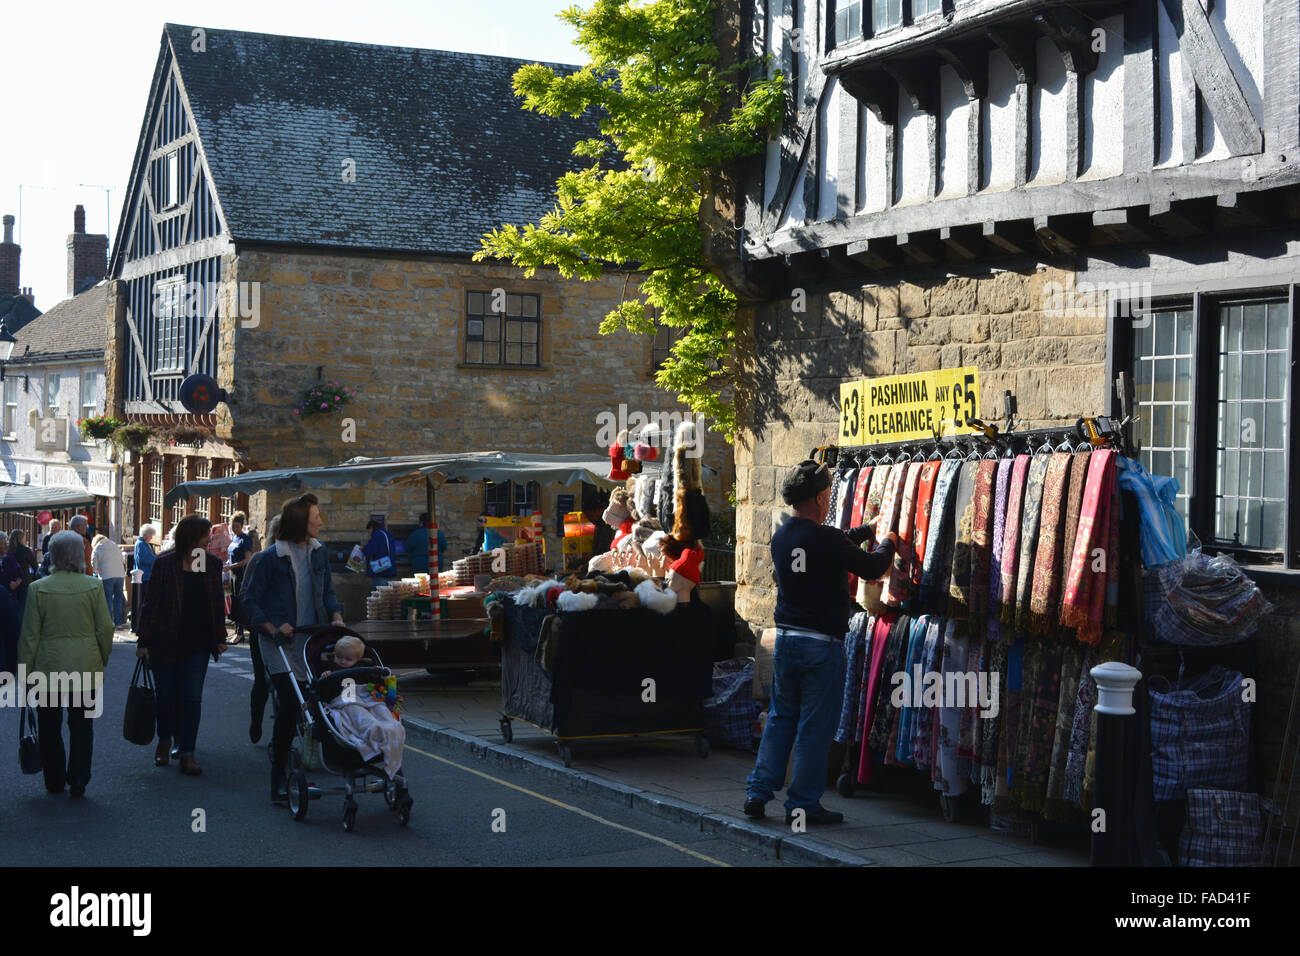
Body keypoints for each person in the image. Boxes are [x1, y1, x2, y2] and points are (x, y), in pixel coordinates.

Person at [744, 459, 898, 827]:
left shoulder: (783, 536)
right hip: (821, 647)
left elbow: (833, 543)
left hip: (787, 644)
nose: (829, 499)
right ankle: (803, 805)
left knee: (781, 718)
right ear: (817, 497)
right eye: (826, 494)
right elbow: (872, 567)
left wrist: (865, 529)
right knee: (814, 727)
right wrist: (889, 541)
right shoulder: (826, 539)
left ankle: (758, 791)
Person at [242, 493, 345, 803]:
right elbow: (249, 600)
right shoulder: (269, 558)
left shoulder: (318, 553)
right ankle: (278, 784)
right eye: (316, 516)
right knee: (289, 707)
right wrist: (273, 627)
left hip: (309, 641)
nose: (320, 521)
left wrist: (337, 617)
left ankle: (303, 768)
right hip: (279, 645)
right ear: (301, 522)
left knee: (312, 703)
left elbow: (327, 592)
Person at [18, 531, 114, 797]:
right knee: (82, 724)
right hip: (85, 666)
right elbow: (105, 629)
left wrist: (24, 671)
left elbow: (29, 635)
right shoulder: (93, 587)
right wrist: (101, 657)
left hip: (48, 668)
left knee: (49, 725)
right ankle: (79, 776)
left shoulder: (38, 588)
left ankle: (54, 778)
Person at [135, 515, 228, 776]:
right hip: (166, 640)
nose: (209, 539)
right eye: (205, 535)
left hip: (197, 642)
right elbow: (150, 604)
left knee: (191, 698)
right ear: (191, 537)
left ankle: (187, 751)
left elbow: (214, 601)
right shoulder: (166, 563)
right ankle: (165, 739)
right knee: (166, 697)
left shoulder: (208, 564)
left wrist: (219, 637)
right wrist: (144, 640)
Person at [320, 635, 405, 780]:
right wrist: (325, 679)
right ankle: (374, 730)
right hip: (345, 699)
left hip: (365, 696)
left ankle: (390, 728)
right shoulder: (330, 669)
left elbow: (378, 685)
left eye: (348, 659)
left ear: (357, 660)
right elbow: (323, 693)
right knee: (355, 710)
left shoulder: (363, 668)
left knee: (380, 707)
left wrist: (377, 674)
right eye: (339, 657)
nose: (342, 661)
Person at [241, 514, 280, 744]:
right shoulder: (259, 559)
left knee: (285, 682)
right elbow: (246, 594)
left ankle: (280, 734)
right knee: (262, 680)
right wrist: (259, 620)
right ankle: (256, 721)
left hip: (292, 631)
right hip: (262, 629)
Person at [226, 512, 255, 644]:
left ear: (242, 526)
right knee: (233, 601)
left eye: (237, 526)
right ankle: (238, 630)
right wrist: (227, 564)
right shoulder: (234, 538)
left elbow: (247, 560)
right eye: (233, 526)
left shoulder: (245, 539)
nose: (235, 529)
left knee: (239, 602)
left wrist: (231, 566)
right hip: (231, 573)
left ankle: (240, 632)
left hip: (240, 574)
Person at [91, 533, 128, 629]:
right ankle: (118, 623)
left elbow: (94, 563)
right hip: (120, 575)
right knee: (118, 599)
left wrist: (96, 570)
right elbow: (122, 559)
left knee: (107, 599)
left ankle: (108, 622)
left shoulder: (98, 548)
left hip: (106, 576)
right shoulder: (114, 545)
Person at [361, 517, 397, 586]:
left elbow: (369, 551)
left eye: (369, 531)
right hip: (391, 569)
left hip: (381, 572)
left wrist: (363, 549)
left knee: (379, 594)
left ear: (371, 528)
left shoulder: (377, 535)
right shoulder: (389, 534)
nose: (369, 534)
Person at [0, 532, 25, 609]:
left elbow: (20, 573)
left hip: (11, 598)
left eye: (6, 543)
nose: (6, 546)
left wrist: (16, 583)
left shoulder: (9, 556)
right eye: (2, 544)